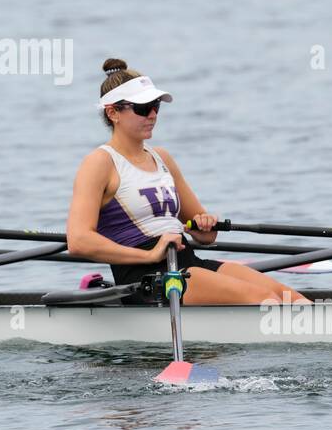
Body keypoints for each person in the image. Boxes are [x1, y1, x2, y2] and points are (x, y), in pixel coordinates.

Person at [67, 59, 309, 304]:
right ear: (113, 112)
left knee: (292, 299)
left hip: (187, 263)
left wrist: (204, 225)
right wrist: (150, 255)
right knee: (265, 300)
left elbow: (206, 237)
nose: (152, 115)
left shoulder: (162, 158)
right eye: (143, 108)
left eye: (156, 106)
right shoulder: (99, 163)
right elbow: (78, 241)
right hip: (148, 278)